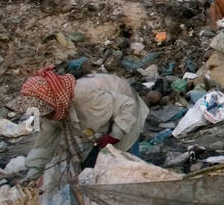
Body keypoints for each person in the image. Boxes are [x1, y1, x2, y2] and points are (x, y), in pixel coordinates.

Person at [21, 67, 150, 179]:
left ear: (53, 103)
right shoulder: (47, 110)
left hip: (125, 103)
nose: (43, 115)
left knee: (128, 165)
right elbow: (44, 144)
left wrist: (114, 135)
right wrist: (33, 173)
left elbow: (127, 106)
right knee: (92, 166)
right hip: (103, 113)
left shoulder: (84, 95)